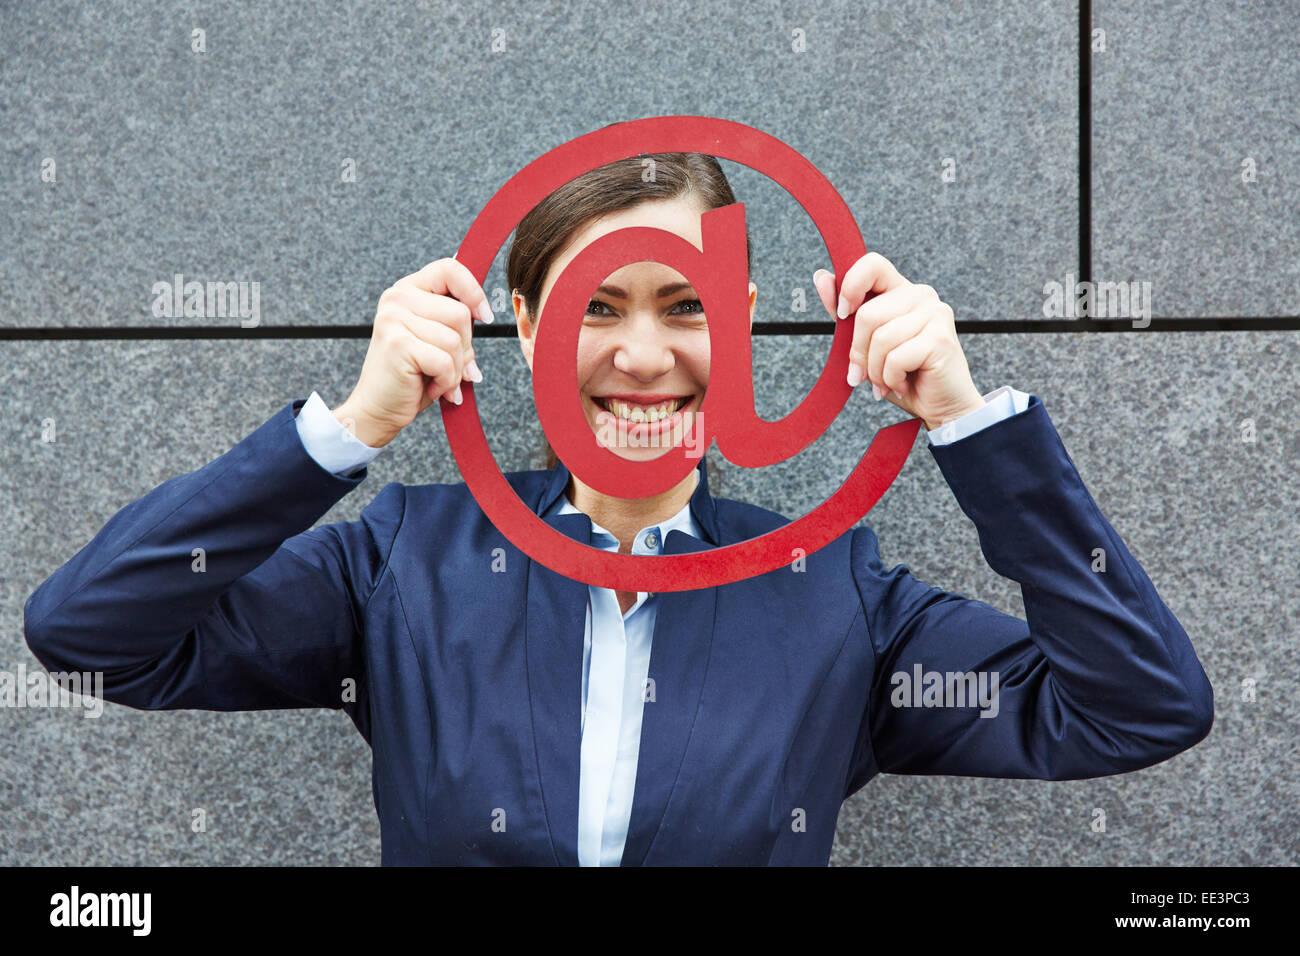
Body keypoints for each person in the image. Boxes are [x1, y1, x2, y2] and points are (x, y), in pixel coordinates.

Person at [23, 153, 1214, 867]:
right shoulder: (408, 562)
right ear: (529, 328)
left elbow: (1138, 705)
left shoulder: (832, 591)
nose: (643, 355)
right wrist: (346, 430)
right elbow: (88, 634)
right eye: (598, 305)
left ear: (739, 326)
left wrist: (967, 425)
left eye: (685, 303)